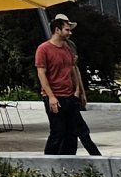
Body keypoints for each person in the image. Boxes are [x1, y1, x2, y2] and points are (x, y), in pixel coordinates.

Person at [36, 15, 101, 156]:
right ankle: (49, 162)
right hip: (55, 97)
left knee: (76, 131)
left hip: (69, 96)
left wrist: (79, 90)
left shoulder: (68, 48)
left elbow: (73, 70)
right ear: (57, 30)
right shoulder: (44, 49)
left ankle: (71, 159)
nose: (70, 32)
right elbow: (42, 74)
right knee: (58, 132)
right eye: (67, 29)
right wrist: (51, 97)